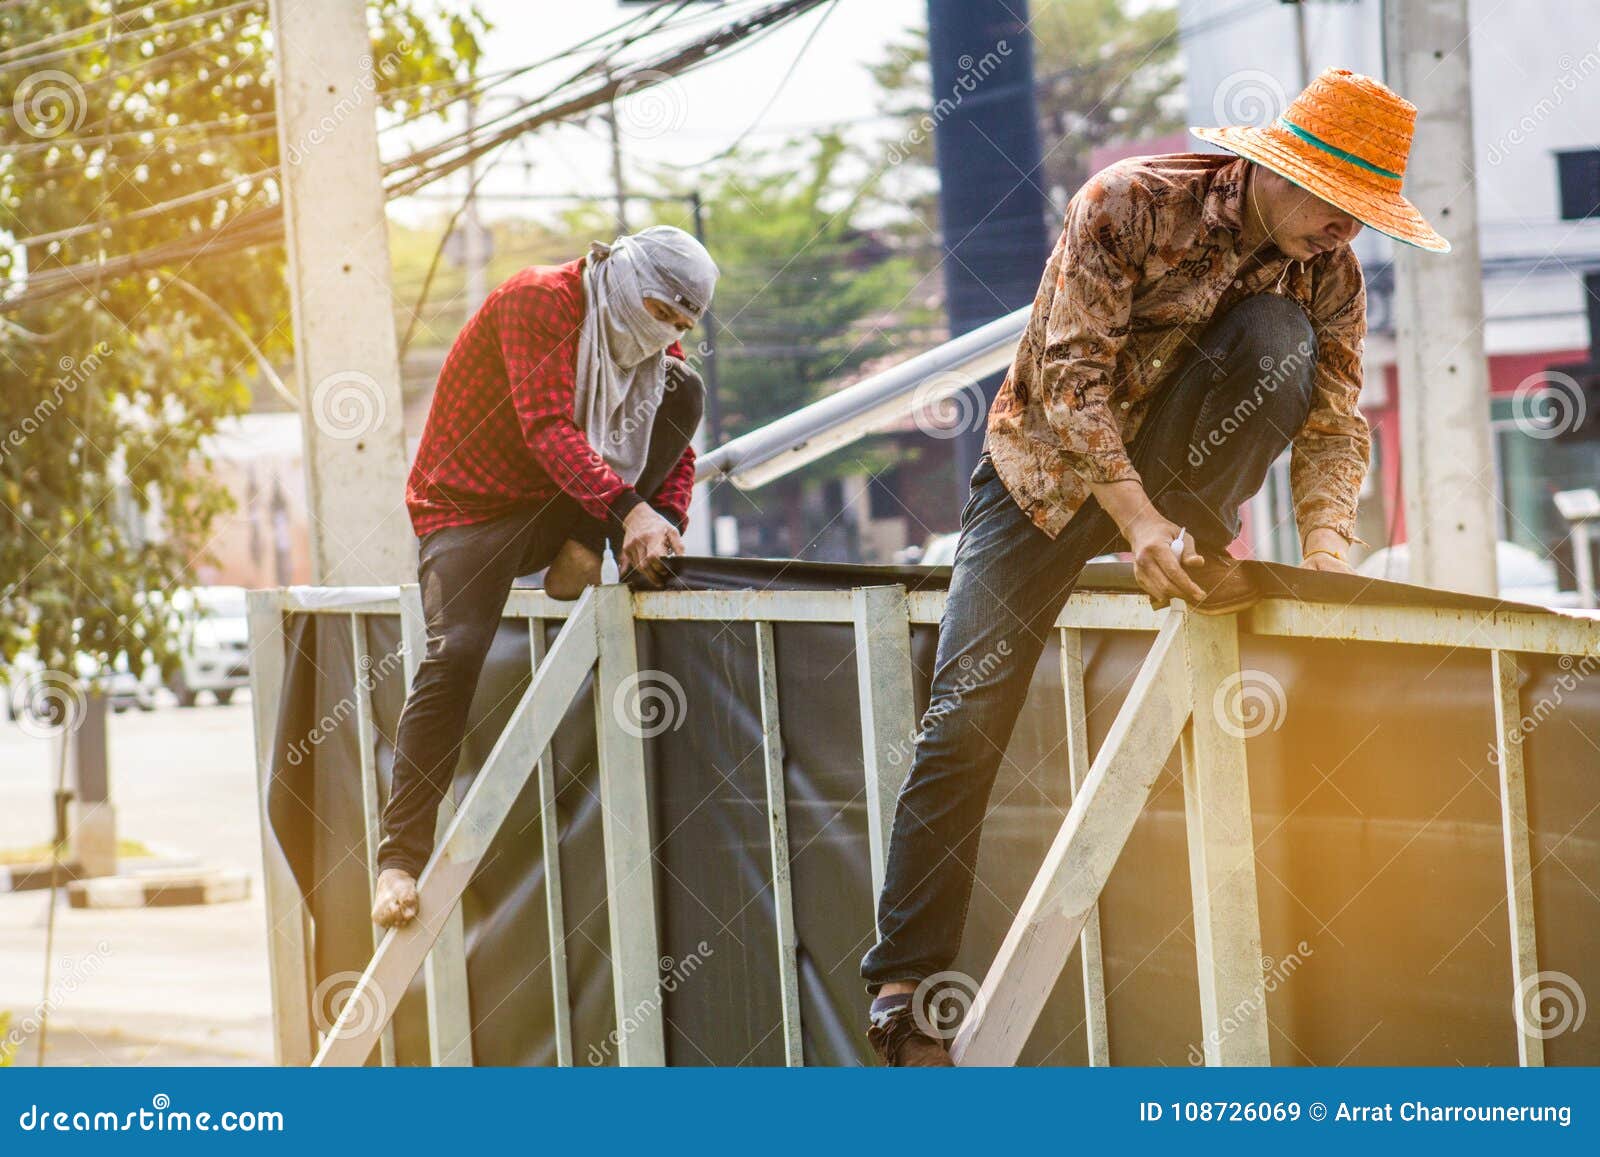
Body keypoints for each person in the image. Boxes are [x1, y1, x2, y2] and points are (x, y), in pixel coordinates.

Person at [861, 69, 1450, 1064]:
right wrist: (1128, 518)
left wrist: (1325, 560)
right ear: (1282, 172)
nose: (1344, 235)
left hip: (1177, 481)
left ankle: (1194, 540)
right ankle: (904, 972)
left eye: (1364, 220)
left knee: (1278, 336)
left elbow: (1331, 424)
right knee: (965, 711)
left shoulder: (1325, 272)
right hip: (1044, 476)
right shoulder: (1130, 201)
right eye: (1336, 210)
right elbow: (1068, 378)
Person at [370, 226, 719, 928]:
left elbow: (672, 447)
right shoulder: (540, 302)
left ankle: (595, 549)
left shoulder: (656, 351)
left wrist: (660, 525)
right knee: (456, 652)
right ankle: (398, 858)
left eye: (681, 325)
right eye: (660, 315)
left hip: (557, 503)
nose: (662, 337)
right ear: (623, 278)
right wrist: (627, 510)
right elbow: (547, 428)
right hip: (466, 509)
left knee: (682, 389)